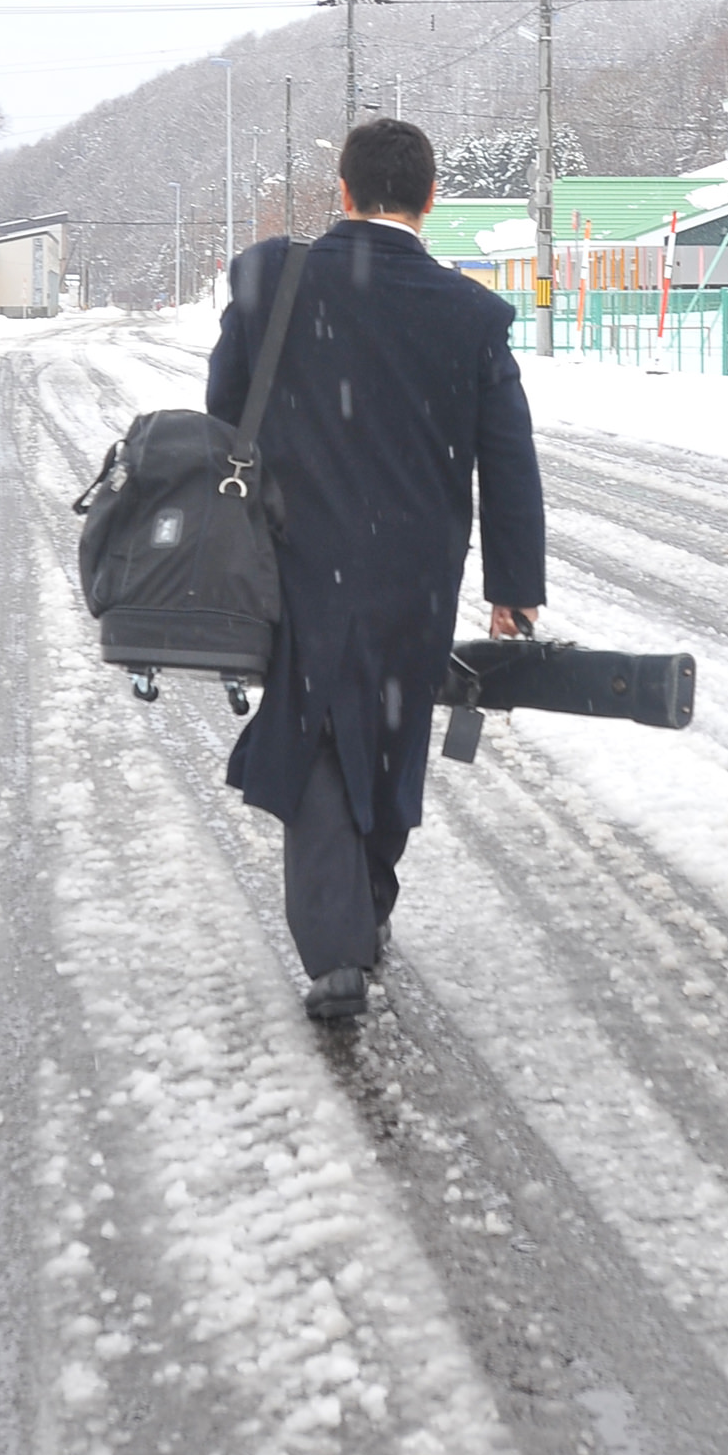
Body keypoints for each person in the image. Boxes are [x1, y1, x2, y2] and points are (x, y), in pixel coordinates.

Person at [206, 116, 547, 1022]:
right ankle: (364, 916)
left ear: (344, 192)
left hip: (296, 555)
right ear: (430, 200)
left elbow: (223, 408)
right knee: (390, 737)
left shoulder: (275, 279)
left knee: (314, 728)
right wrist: (515, 586)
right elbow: (506, 455)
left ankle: (339, 944)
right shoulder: (471, 312)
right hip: (417, 567)